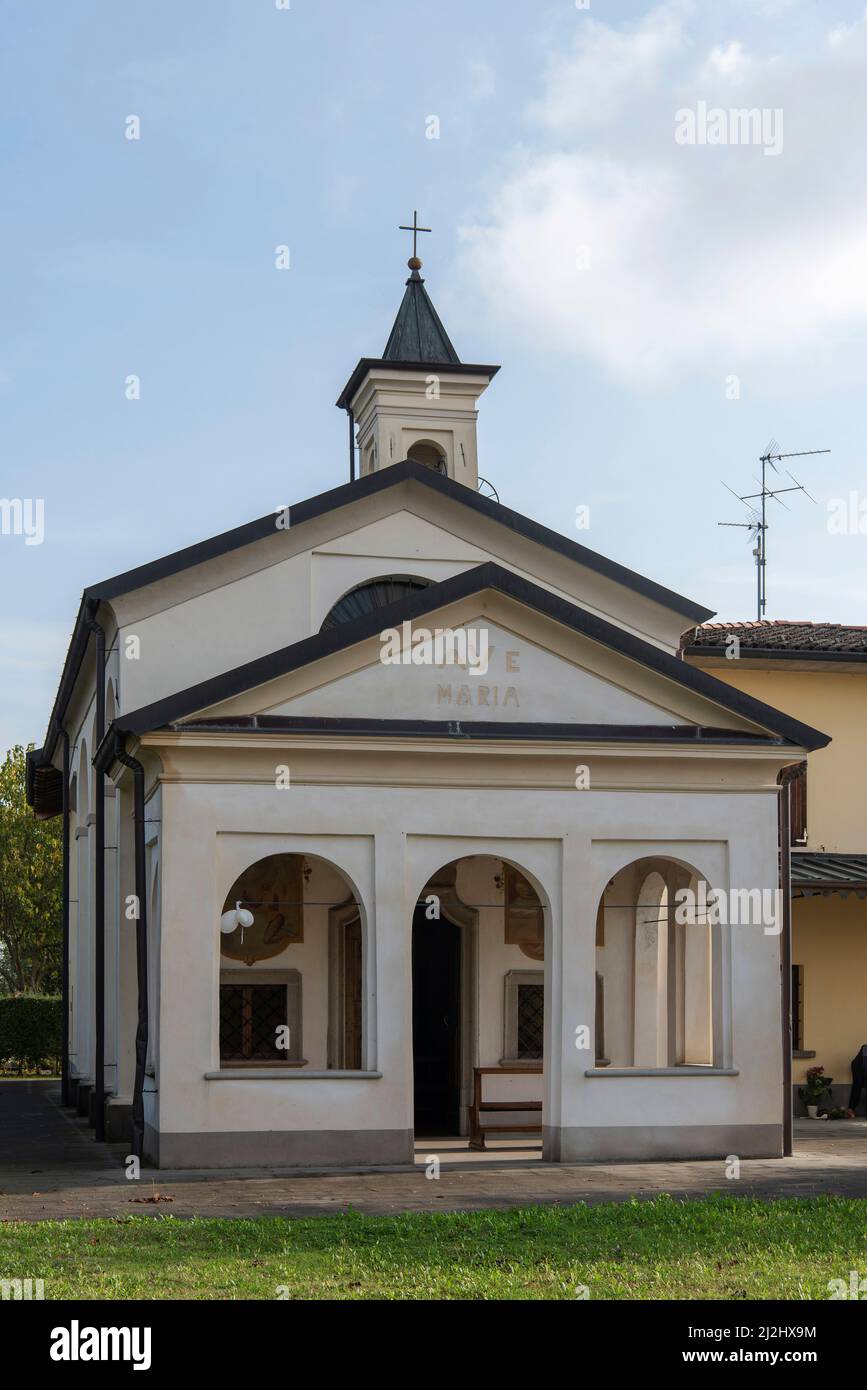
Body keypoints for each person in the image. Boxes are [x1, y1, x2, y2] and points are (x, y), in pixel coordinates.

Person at [846, 1044, 867, 1118]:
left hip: (864, 1069)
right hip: (858, 1067)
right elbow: (865, 1064)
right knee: (857, 1086)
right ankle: (850, 1110)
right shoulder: (865, 1048)